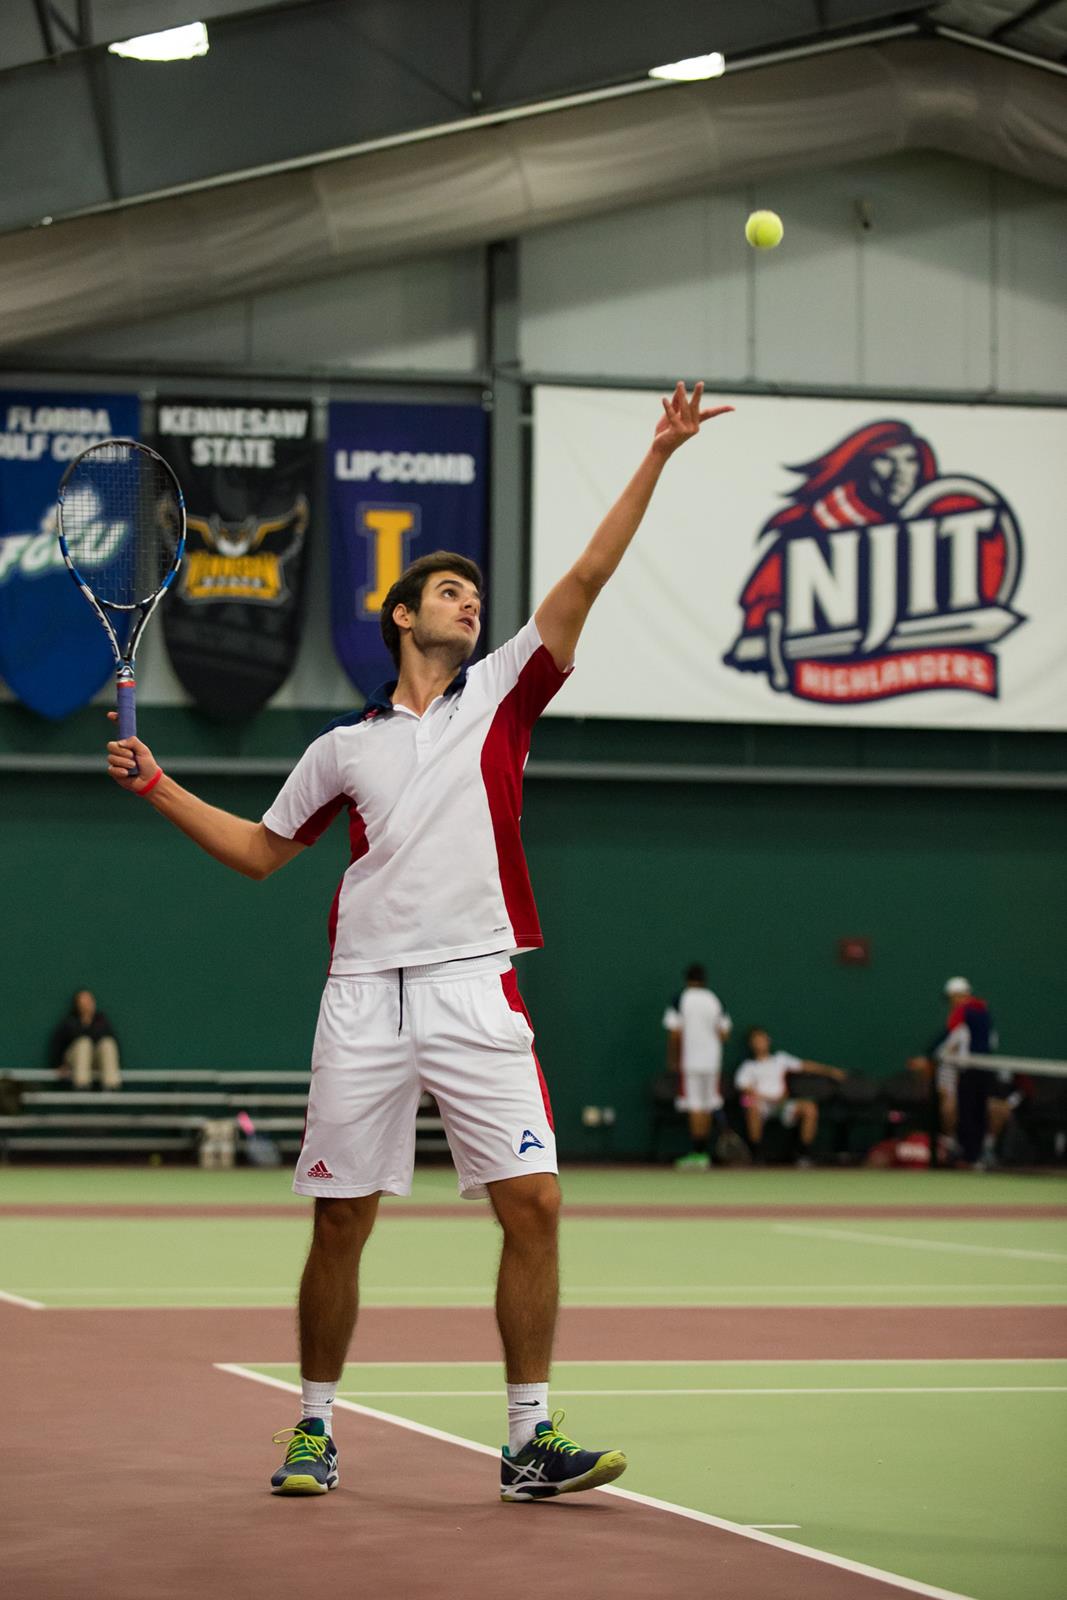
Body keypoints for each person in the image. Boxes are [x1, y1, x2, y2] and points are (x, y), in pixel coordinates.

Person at [106, 381, 733, 1502]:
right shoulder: (343, 749)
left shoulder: (501, 695)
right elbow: (259, 852)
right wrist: (158, 785)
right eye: (448, 590)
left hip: (475, 988)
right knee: (341, 1219)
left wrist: (659, 456)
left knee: (533, 1202)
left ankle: (527, 1441)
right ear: (400, 615)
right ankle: (310, 1428)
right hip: (364, 998)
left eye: (474, 592)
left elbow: (584, 577)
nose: (467, 602)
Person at [909, 977, 1006, 1168]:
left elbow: (948, 1035)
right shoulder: (981, 1011)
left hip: (973, 1069)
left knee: (972, 1111)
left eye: (953, 997)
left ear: (961, 995)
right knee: (969, 1110)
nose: (952, 1002)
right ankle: (968, 1153)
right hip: (976, 1068)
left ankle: (972, 1155)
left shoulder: (965, 1012)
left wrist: (928, 1055)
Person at [734, 1026, 845, 1167]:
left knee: (810, 1108)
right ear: (751, 1044)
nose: (760, 1042)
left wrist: (831, 1071)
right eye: (756, 1040)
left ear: (768, 1041)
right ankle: (756, 1155)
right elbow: (745, 1089)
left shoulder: (780, 1059)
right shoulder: (747, 1066)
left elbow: (805, 1065)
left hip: (783, 1103)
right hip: (759, 1103)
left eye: (762, 1039)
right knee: (749, 1104)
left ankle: (803, 1154)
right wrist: (768, 1098)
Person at [662, 963, 731, 1171]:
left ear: (687, 979)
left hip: (691, 1061)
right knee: (708, 1104)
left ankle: (698, 1153)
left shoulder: (681, 999)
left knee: (695, 1105)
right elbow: (724, 1034)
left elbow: (674, 1033)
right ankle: (704, 1154)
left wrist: (673, 1059)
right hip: (712, 1061)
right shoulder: (714, 1000)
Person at [50, 989, 122, 1090]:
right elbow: (58, 1044)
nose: (87, 1004)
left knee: (107, 1043)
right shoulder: (70, 1021)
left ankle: (112, 1086)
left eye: (89, 1001)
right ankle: (82, 1085)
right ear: (77, 1004)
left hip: (96, 1060)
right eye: (83, 1001)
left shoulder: (101, 1020)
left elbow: (109, 1040)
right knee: (84, 1043)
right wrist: (59, 1064)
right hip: (75, 1060)